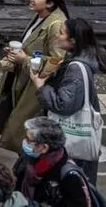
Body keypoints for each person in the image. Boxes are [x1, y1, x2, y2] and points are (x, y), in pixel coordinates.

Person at [0, 0, 69, 152]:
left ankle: (29, 167)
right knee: (21, 129)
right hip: (25, 80)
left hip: (35, 86)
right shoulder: (41, 17)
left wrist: (25, 58)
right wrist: (17, 52)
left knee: (25, 130)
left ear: (50, 3)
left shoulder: (56, 24)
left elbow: (57, 61)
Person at [31, 16, 105, 182]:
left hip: (71, 145)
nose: (58, 35)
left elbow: (63, 104)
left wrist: (42, 87)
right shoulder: (79, 62)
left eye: (62, 33)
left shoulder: (76, 69)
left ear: (73, 41)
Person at [14, 116, 96, 206]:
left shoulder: (69, 177)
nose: (25, 142)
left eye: (29, 140)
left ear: (44, 148)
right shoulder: (28, 157)